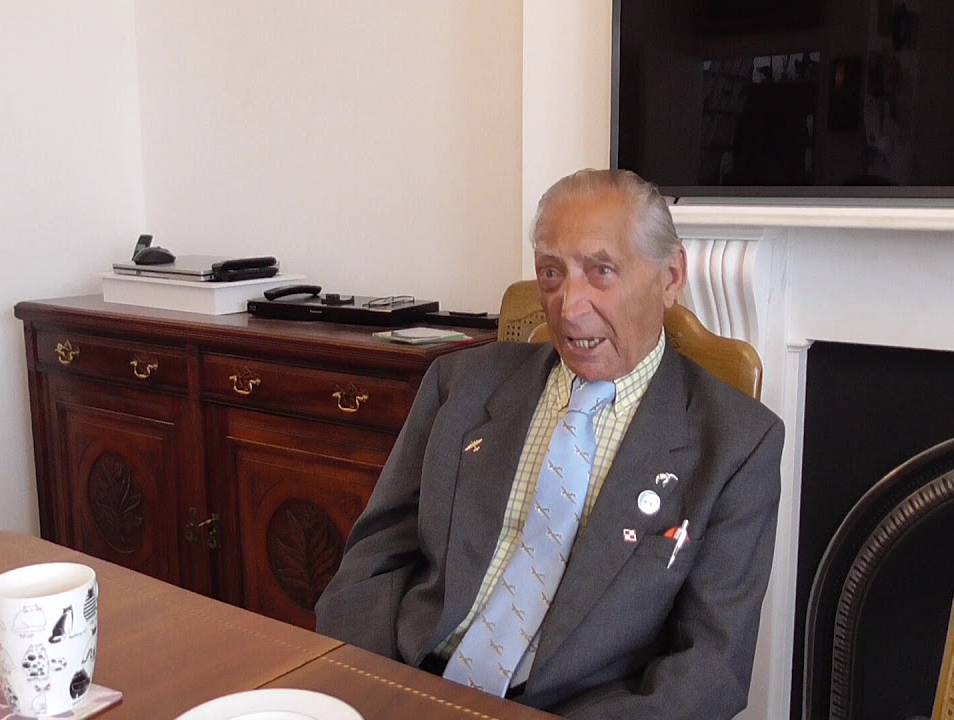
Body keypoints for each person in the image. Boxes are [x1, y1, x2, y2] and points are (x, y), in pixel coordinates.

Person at [316, 168, 783, 719]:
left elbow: (710, 669)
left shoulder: (737, 443)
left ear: (670, 275)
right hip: (412, 684)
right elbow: (374, 557)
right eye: (551, 274)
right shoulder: (459, 385)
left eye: (601, 271)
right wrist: (369, 689)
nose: (569, 306)